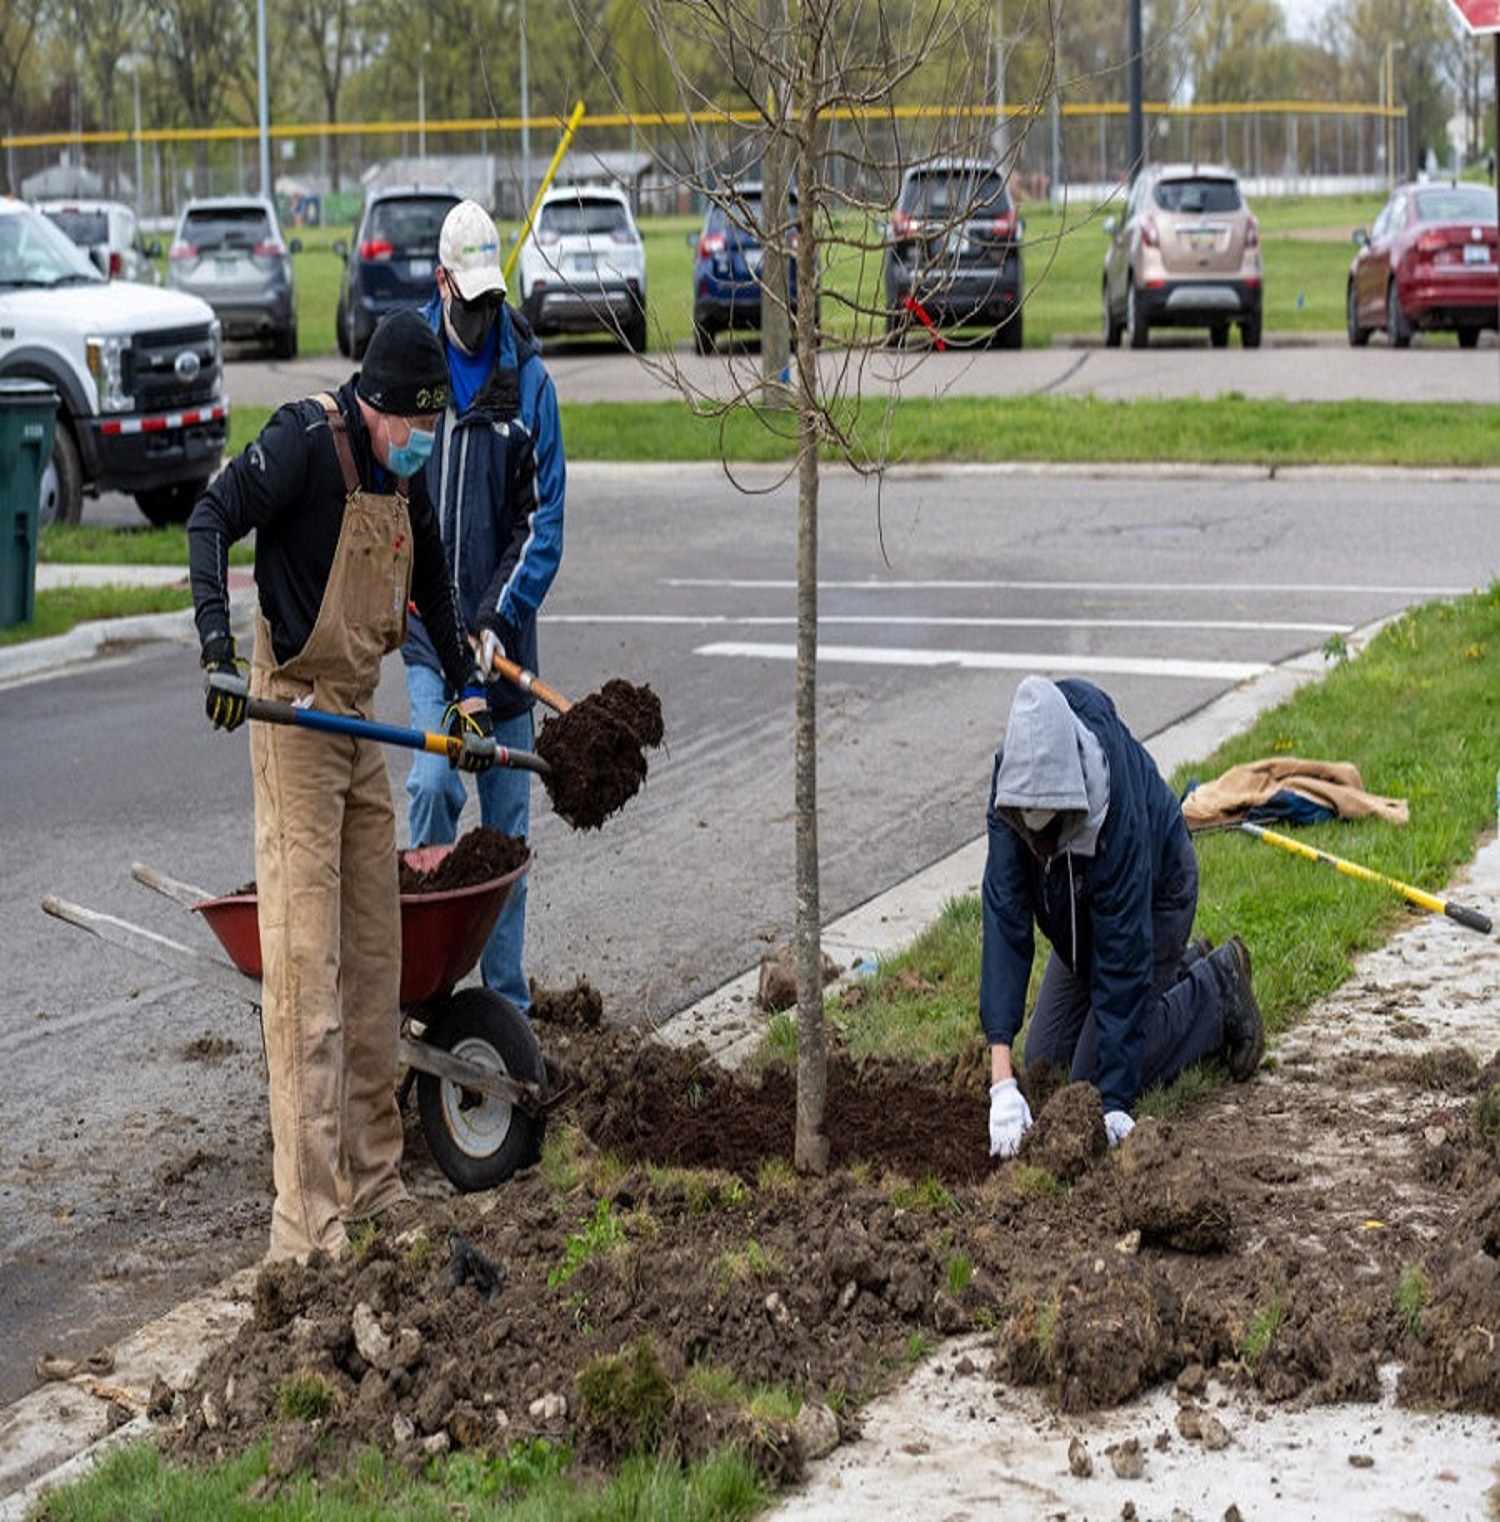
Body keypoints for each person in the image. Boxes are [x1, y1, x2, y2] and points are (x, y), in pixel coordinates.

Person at [187, 309, 497, 1263]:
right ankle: (306, 1220)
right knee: (305, 974)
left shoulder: (403, 477)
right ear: (378, 407)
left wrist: (467, 694)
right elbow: (210, 519)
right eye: (418, 426)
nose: (424, 444)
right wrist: (217, 652)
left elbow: (433, 582)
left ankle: (373, 1180)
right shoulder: (301, 445)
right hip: (292, 721)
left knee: (373, 966)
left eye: (434, 428)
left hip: (356, 721)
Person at [979, 675, 1264, 1159]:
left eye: (1051, 833)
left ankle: (1217, 990)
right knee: (1045, 1057)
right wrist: (1001, 1079)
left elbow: (1122, 954)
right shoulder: (1011, 790)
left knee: (1090, 1081)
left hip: (1157, 897)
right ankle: (1179, 967)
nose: (1041, 848)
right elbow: (1005, 917)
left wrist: (1114, 1101)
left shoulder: (1113, 806)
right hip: (1080, 920)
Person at [402, 197, 566, 1017]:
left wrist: (499, 618)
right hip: (431, 642)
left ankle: (506, 1011)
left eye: (490, 298)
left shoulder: (528, 384)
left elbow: (543, 524)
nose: (480, 313)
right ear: (442, 285)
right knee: (433, 784)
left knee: (507, 839)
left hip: (502, 652)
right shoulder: (413, 365)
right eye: (467, 300)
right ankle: (430, 988)